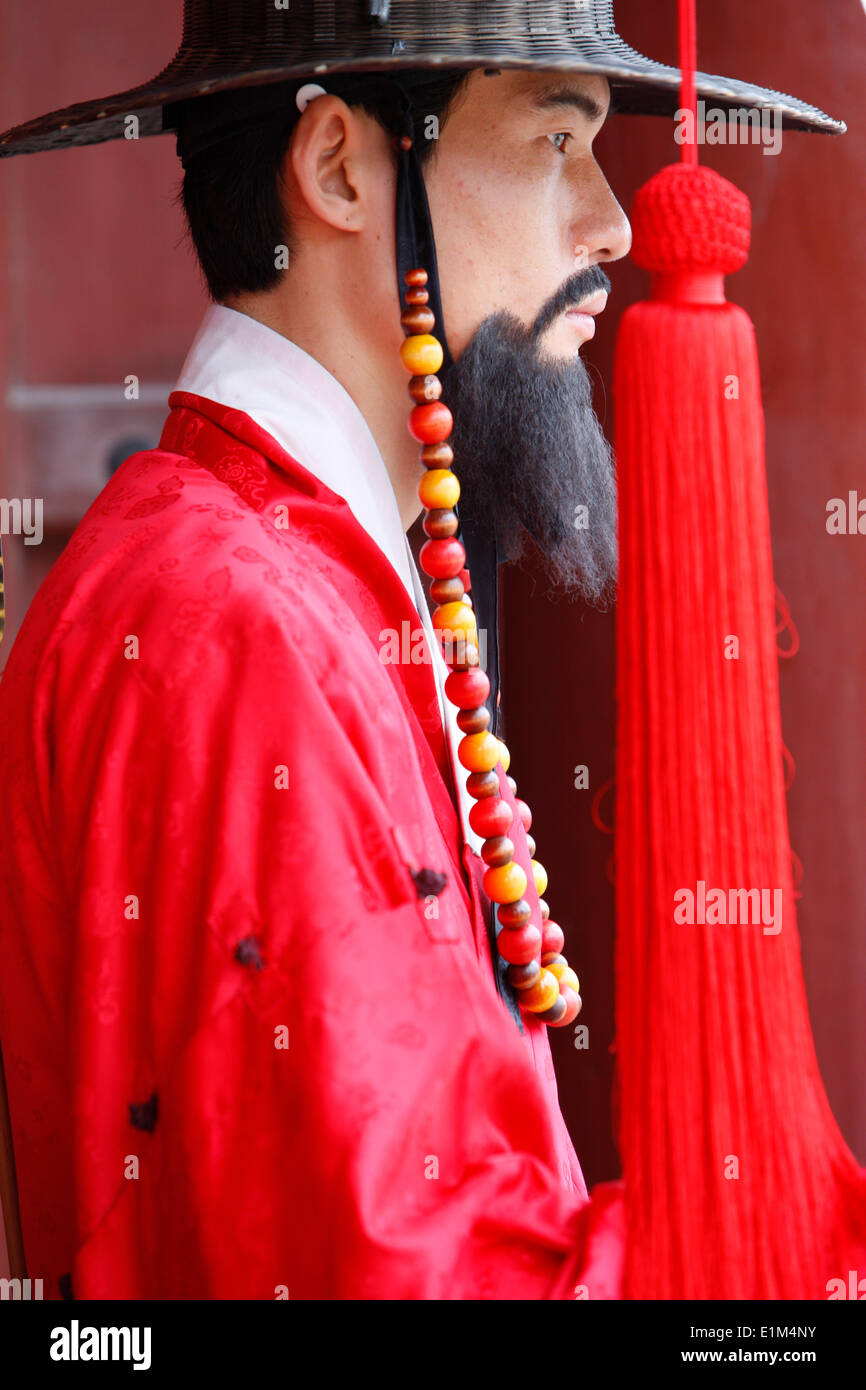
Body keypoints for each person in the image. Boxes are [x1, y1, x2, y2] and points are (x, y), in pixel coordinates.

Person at [0, 2, 841, 1300]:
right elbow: (394, 1267)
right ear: (339, 169)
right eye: (556, 142)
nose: (612, 224)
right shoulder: (228, 623)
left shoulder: (282, 571)